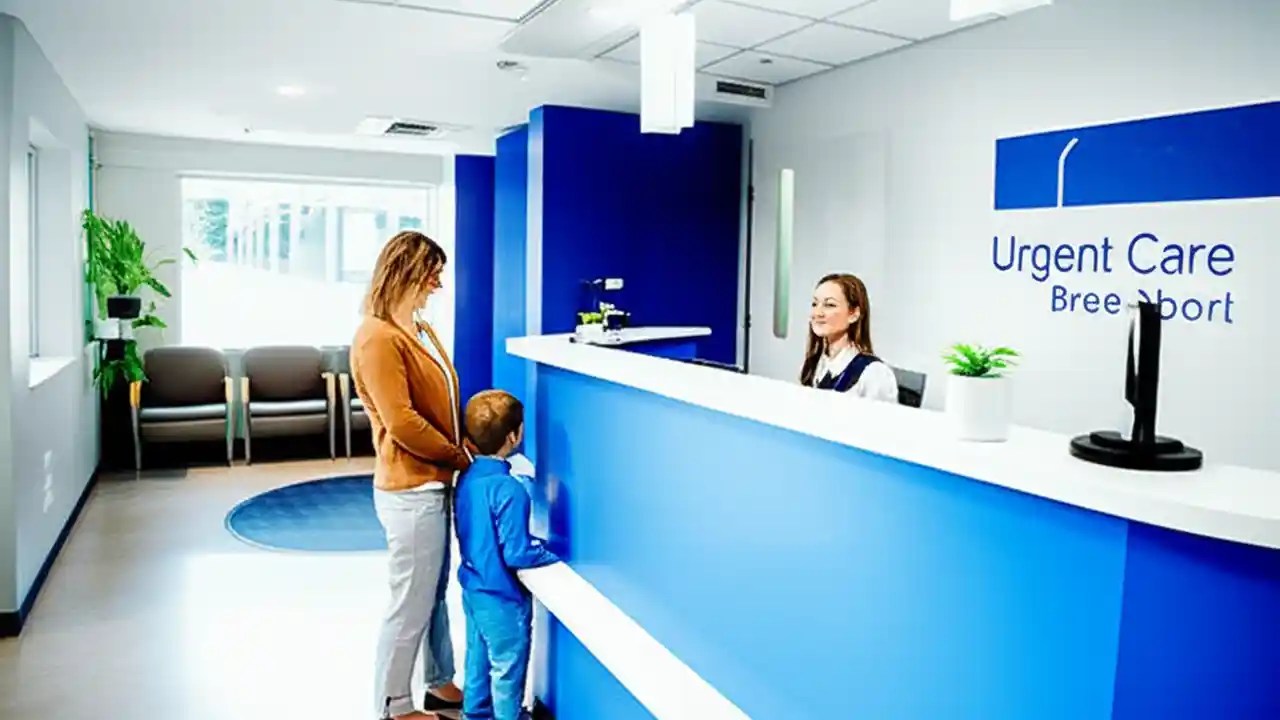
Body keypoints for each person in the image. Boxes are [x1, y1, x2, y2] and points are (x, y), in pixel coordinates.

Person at [351, 230, 470, 720]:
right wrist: (457, 456)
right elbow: (401, 423)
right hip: (411, 487)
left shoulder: (418, 330)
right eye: (432, 275)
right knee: (410, 601)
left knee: (432, 593)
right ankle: (393, 705)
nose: (437, 286)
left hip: (433, 482)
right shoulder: (376, 338)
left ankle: (438, 681)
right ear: (407, 271)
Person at [455, 390, 560, 720]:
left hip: (473, 588)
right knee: (507, 668)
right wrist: (548, 554)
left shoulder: (466, 478)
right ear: (514, 436)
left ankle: (475, 714)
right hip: (503, 598)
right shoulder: (510, 489)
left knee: (477, 658)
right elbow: (516, 553)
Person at [800, 273, 900, 403]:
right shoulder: (817, 363)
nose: (817, 313)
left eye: (829, 305)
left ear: (853, 314)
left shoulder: (874, 374)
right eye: (814, 304)